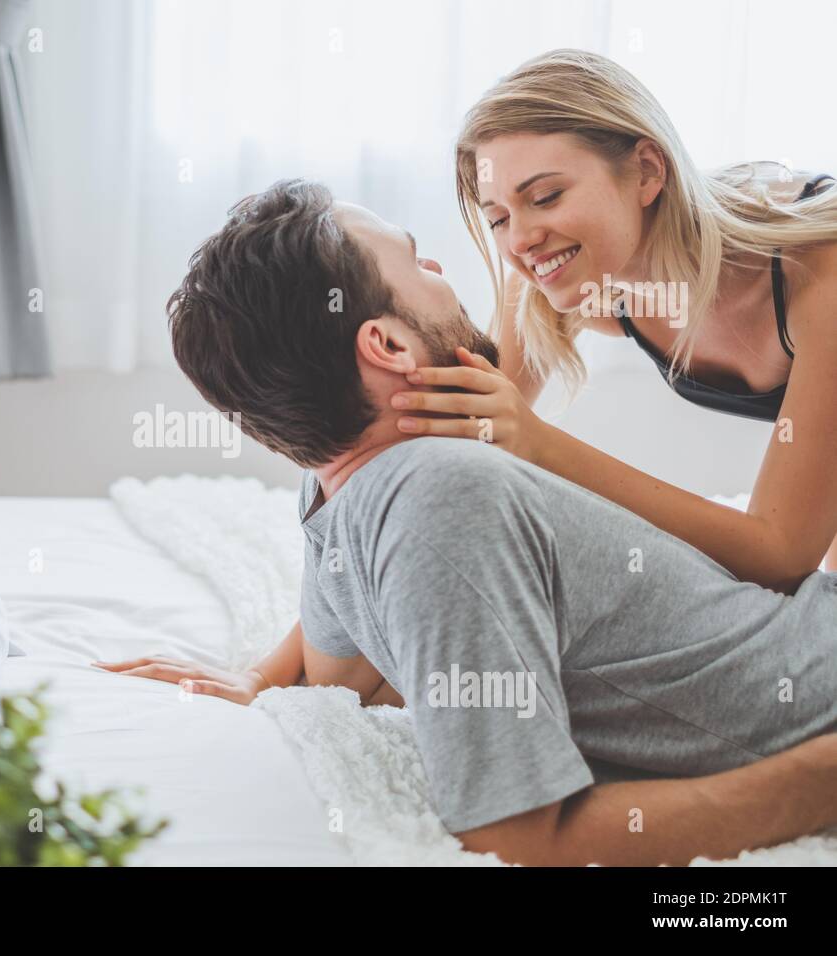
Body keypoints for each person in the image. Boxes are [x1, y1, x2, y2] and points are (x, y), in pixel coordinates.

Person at [94, 179, 837, 866]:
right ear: (384, 343)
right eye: (418, 262)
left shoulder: (350, 482)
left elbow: (339, 673)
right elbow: (512, 832)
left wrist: (264, 677)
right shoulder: (427, 491)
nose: (448, 265)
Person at [393, 49, 837, 596]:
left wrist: (539, 444)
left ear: (648, 171)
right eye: (499, 218)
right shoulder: (555, 274)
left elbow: (780, 554)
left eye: (546, 196)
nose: (520, 240)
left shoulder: (819, 272)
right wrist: (276, 665)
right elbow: (449, 452)